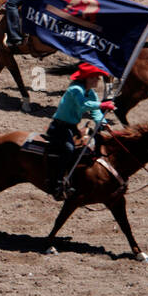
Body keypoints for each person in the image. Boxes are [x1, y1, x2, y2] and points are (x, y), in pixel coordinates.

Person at [46, 62, 110, 200]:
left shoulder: (90, 92)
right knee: (68, 149)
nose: (98, 80)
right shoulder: (75, 89)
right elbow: (83, 105)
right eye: (95, 77)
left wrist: (102, 122)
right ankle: (57, 183)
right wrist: (102, 104)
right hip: (59, 127)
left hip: (71, 127)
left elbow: (95, 112)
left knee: (86, 149)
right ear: (87, 78)